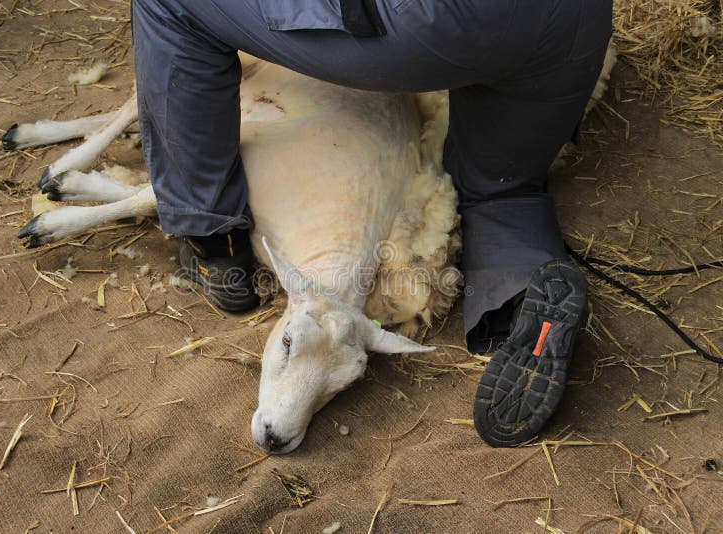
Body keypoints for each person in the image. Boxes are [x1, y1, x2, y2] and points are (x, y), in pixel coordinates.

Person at [131, 0, 611, 447]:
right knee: (500, 187)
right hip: (574, 24)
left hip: (440, 22)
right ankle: (520, 298)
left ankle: (213, 237)